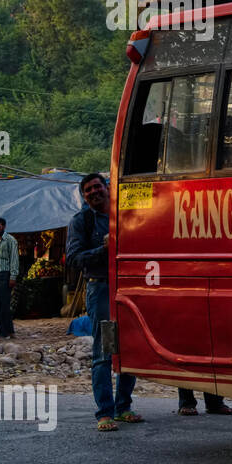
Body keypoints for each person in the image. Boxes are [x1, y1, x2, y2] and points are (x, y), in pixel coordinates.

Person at [66, 173, 142, 432]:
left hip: (129, 287)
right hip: (101, 289)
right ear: (84, 196)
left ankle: (124, 407)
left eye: (97, 186)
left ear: (107, 187)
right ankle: (105, 413)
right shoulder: (81, 221)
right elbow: (74, 258)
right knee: (104, 351)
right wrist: (104, 249)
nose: (94, 192)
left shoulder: (126, 211)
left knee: (129, 346)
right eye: (88, 190)